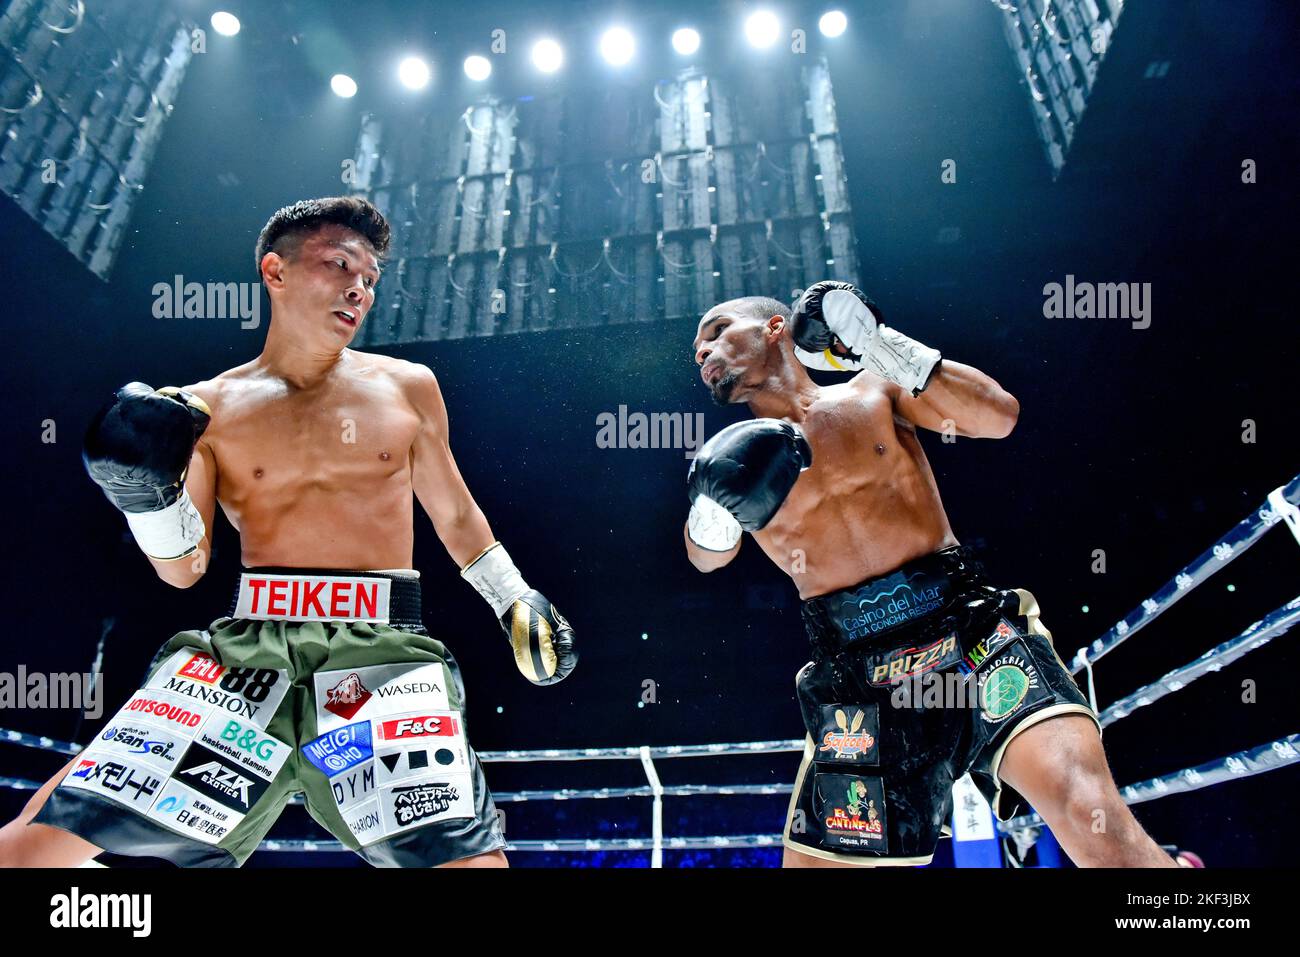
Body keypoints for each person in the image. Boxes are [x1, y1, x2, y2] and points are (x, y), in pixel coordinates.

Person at [0, 196, 576, 868]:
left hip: (380, 657)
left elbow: (454, 516)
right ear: (275, 271)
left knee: (469, 864)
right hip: (245, 653)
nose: (359, 286)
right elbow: (184, 567)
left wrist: (515, 595)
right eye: (339, 264)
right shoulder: (202, 408)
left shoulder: (410, 387)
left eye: (370, 277)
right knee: (29, 849)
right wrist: (145, 499)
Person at [685, 281, 1173, 867]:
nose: (704, 352)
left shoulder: (873, 389)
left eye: (716, 332)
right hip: (857, 682)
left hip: (973, 638)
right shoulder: (728, 461)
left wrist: (876, 341)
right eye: (697, 351)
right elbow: (705, 559)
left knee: (1087, 809)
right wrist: (712, 516)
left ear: (775, 328)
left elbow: (998, 416)